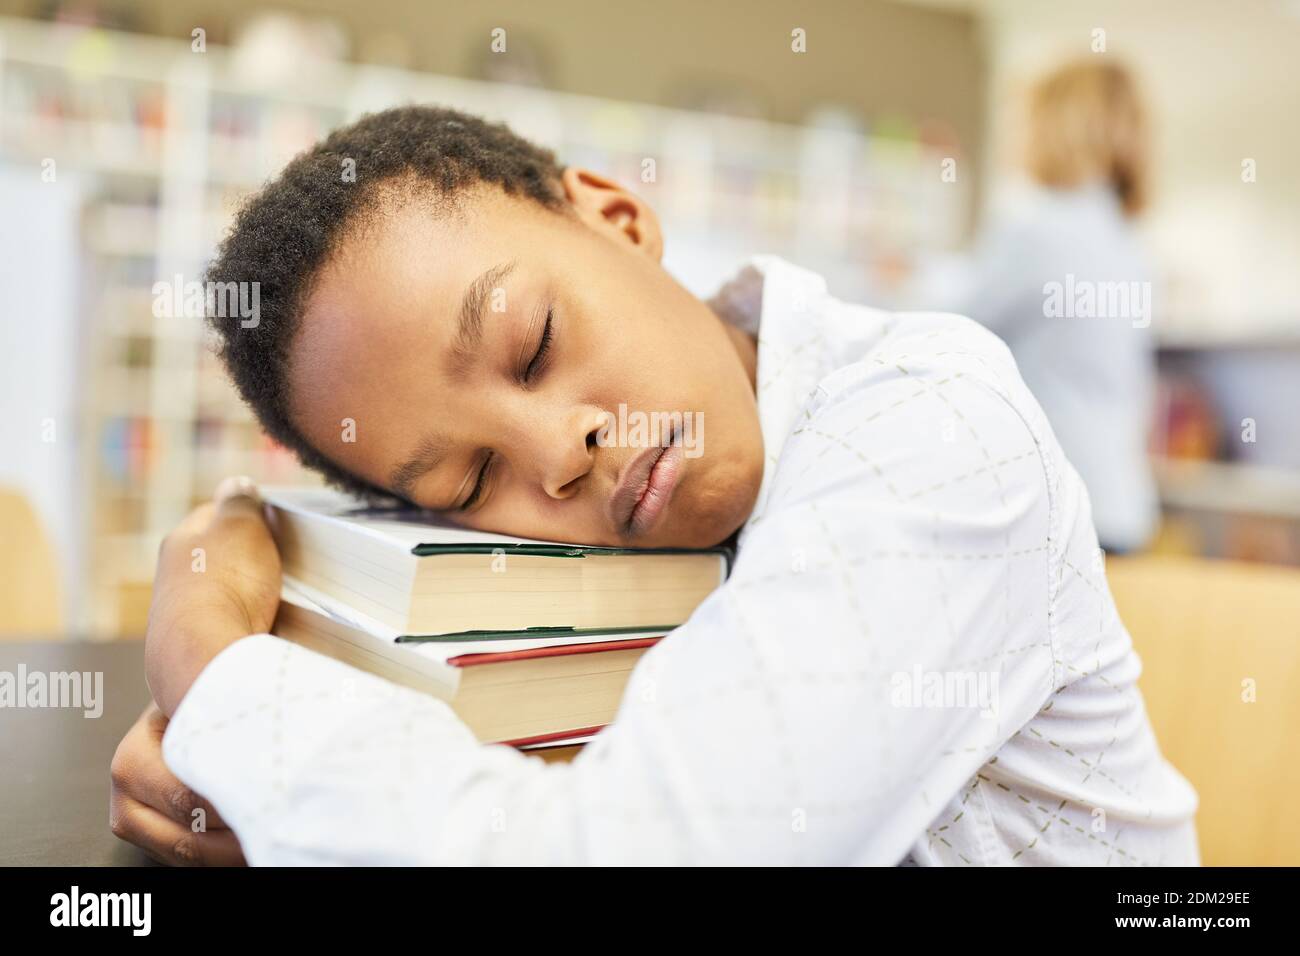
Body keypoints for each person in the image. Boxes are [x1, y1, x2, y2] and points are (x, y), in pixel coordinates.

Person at [109, 106, 1197, 865]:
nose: (558, 453)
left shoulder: (931, 422)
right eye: (470, 475)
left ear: (617, 220)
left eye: (533, 345)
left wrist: (207, 652)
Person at [927, 60, 1159, 553]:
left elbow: (945, 323)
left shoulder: (1038, 229)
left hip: (1050, 510)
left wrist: (911, 275)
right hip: (1121, 506)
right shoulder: (1127, 242)